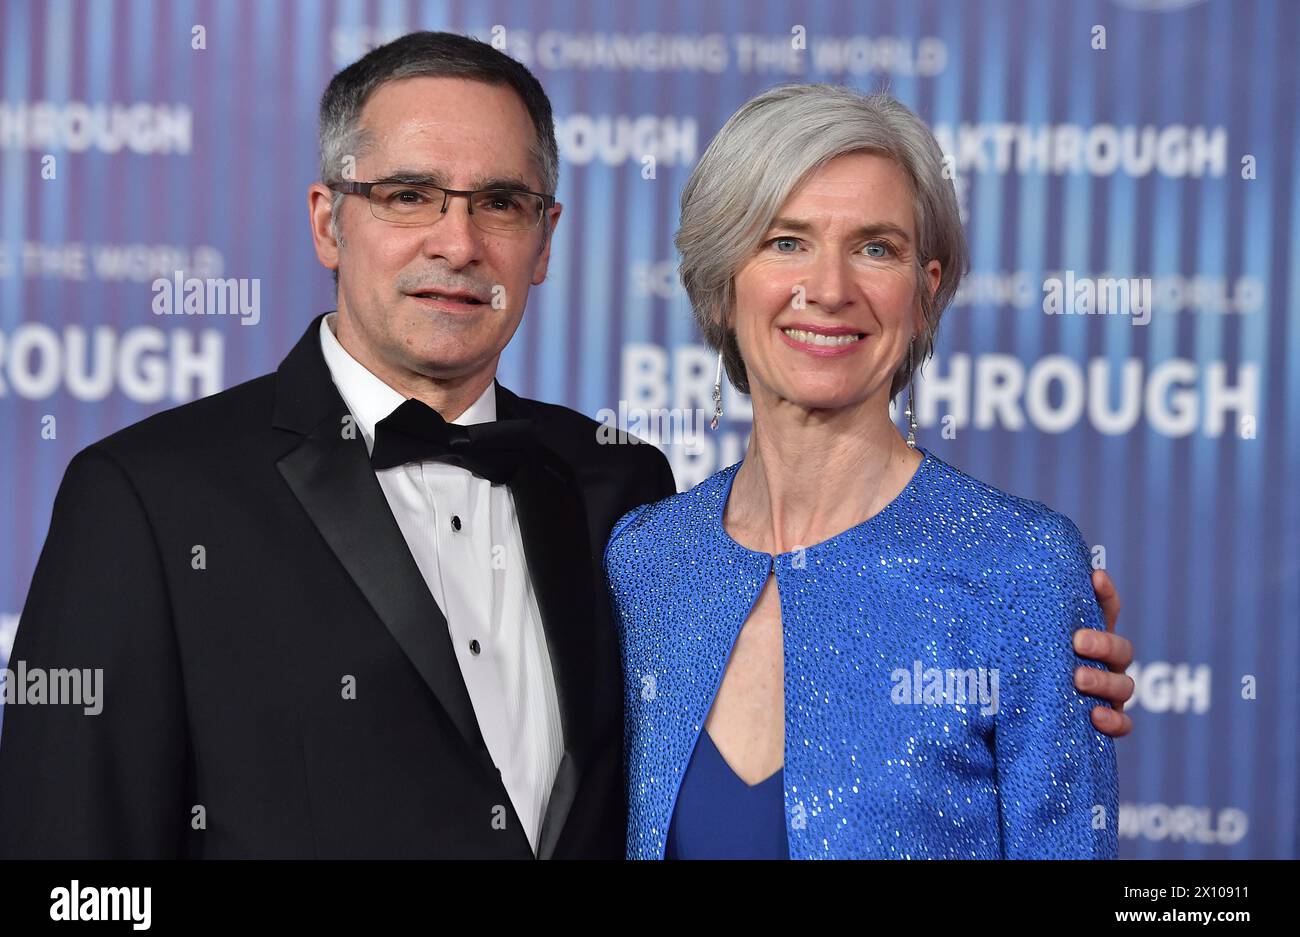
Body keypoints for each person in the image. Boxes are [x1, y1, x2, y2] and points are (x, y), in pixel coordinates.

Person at [0, 35, 1131, 860]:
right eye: (407, 195)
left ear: (544, 241)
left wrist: (1029, 635)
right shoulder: (148, 499)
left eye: (500, 201)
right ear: (327, 218)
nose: (457, 240)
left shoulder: (614, 497)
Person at [606, 84, 1120, 859]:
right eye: (785, 242)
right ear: (722, 280)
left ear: (927, 291)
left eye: (877, 248)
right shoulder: (644, 560)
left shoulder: (1021, 568)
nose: (832, 289)